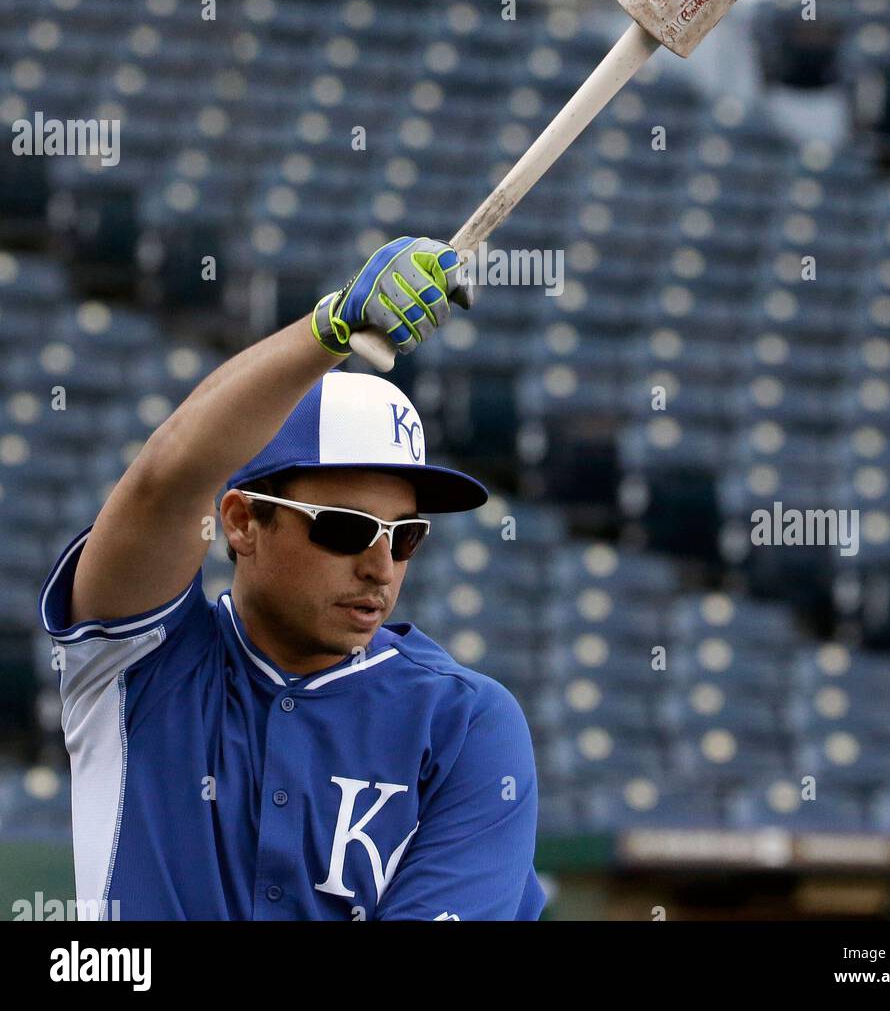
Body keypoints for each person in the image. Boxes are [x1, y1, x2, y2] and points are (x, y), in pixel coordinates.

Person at [39, 237, 545, 921]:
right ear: (243, 522)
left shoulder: (464, 722)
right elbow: (165, 482)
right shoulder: (140, 663)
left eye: (406, 536)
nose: (379, 565)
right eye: (344, 527)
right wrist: (327, 327)